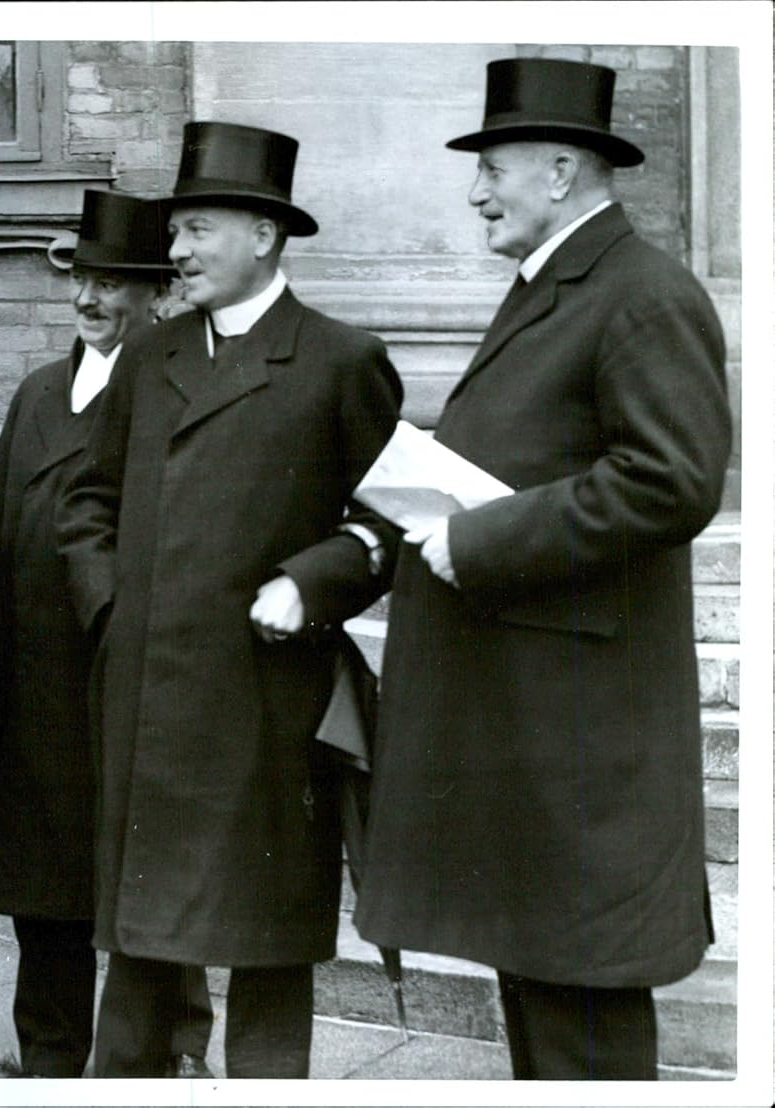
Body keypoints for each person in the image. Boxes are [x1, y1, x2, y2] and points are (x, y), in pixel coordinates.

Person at [355, 58, 732, 1081]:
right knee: (548, 994)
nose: (476, 193)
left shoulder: (641, 293)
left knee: (583, 1018)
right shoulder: (562, 287)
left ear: (561, 171)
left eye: (493, 169)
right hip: (538, 726)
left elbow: (671, 481)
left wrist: (480, 540)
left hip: (580, 736)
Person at [56, 121, 403, 1078]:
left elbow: (387, 519)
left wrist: (310, 580)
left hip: (267, 703)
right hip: (147, 694)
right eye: (176, 231)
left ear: (264, 234)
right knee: (138, 949)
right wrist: (112, 609)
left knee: (268, 948)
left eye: (198, 229)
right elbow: (88, 500)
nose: (176, 250)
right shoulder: (151, 355)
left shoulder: (340, 359)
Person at [0, 189, 214, 1078]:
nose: (86, 298)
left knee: (150, 907)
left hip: (129, 693)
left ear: (158, 295)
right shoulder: (39, 393)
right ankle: (52, 1070)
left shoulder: (183, 390)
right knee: (46, 912)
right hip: (37, 706)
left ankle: (165, 1061)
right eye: (80, 279)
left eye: (110, 283)